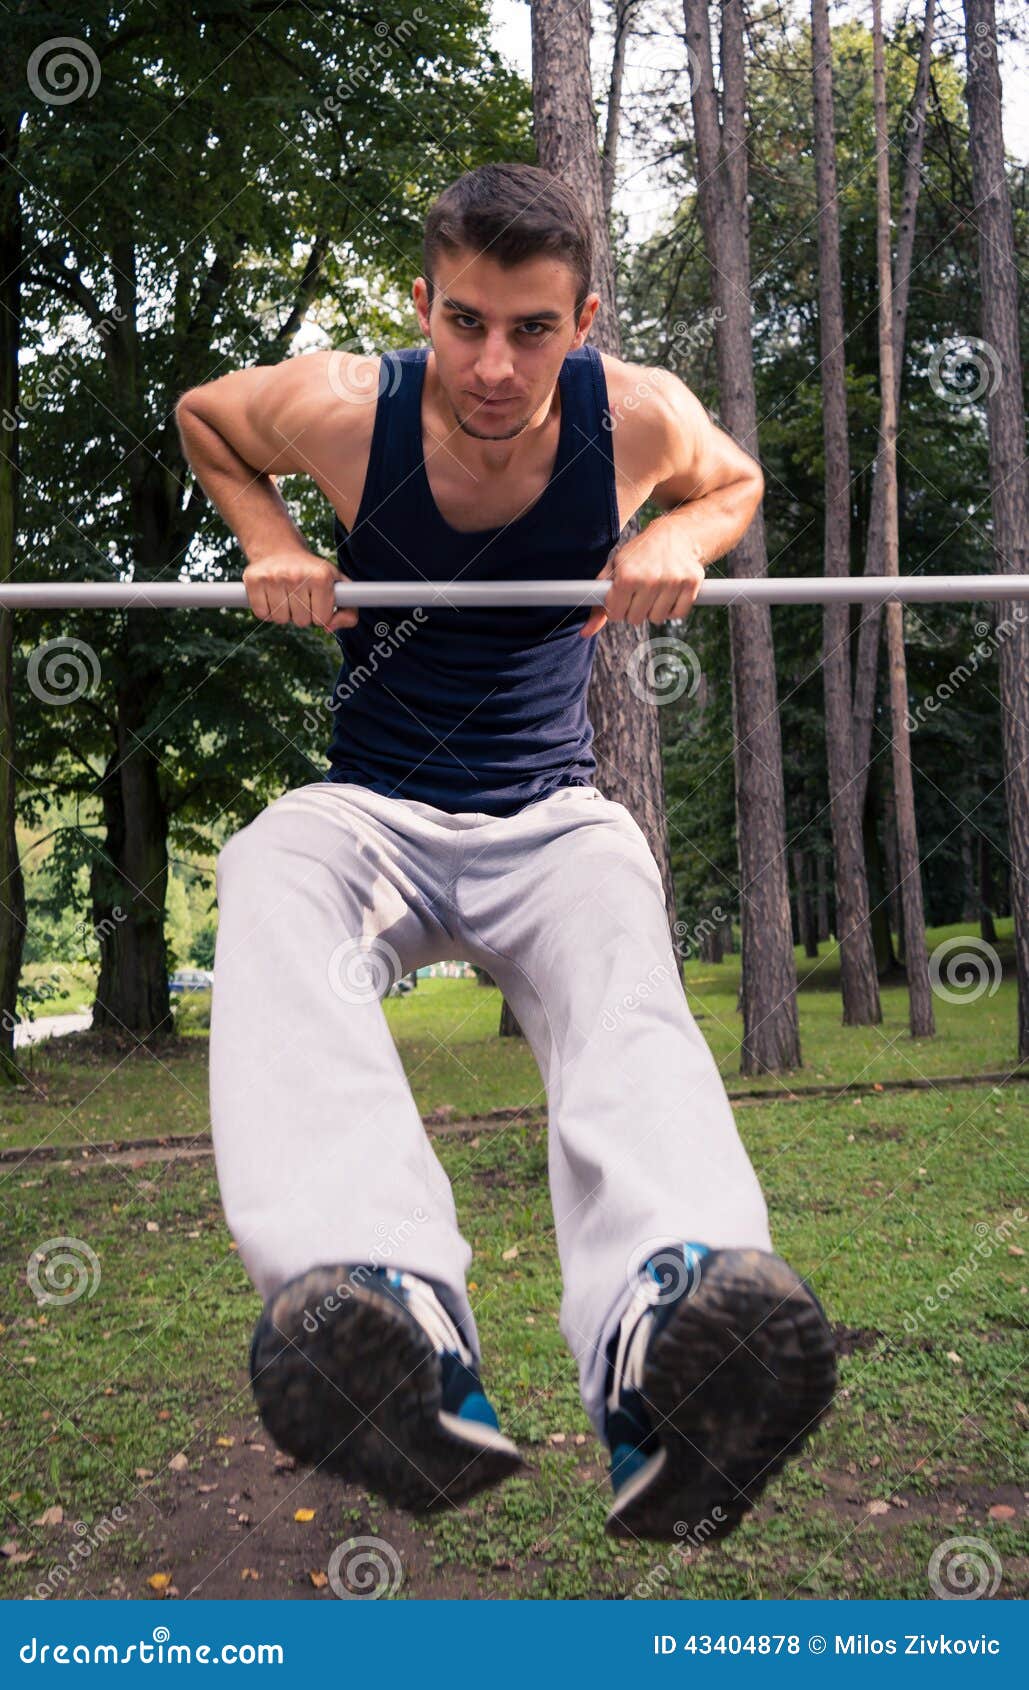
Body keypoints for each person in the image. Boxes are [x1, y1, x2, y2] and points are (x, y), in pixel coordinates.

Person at [174, 161, 836, 1543]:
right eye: (463, 322)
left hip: (547, 809)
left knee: (617, 925)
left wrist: (678, 539)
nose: (491, 363)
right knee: (269, 859)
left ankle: (676, 1320)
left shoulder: (637, 416)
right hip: (381, 812)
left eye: (530, 329)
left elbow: (736, 479)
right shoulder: (347, 410)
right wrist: (271, 536)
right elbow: (205, 417)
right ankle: (380, 1300)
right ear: (422, 307)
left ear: (581, 320)